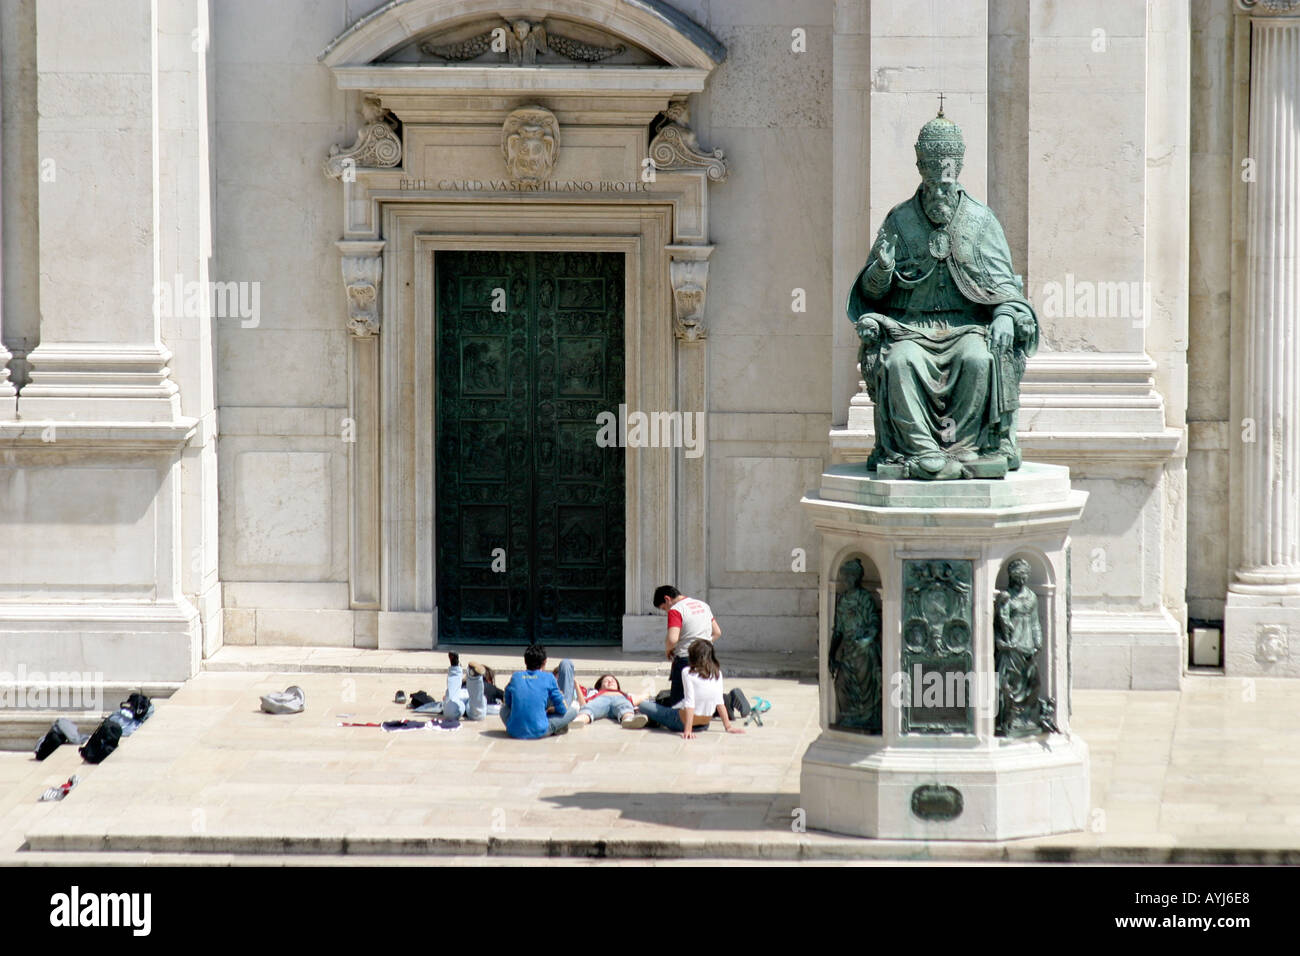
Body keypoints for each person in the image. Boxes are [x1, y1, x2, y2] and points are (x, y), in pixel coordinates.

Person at [846, 107, 1039, 480]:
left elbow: (1007, 291)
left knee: (978, 360)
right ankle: (923, 453)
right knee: (900, 362)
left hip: (967, 327)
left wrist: (1002, 316)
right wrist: (882, 270)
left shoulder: (981, 221)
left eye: (945, 188)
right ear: (922, 171)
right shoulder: (899, 220)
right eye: (932, 187)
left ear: (956, 180)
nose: (938, 195)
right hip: (910, 328)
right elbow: (871, 295)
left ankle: (968, 450)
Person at [636, 639, 744, 739]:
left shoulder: (688, 672)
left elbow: (690, 702)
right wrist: (728, 726)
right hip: (704, 725)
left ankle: (639, 712)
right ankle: (653, 719)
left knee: (643, 704)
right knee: (665, 705)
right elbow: (720, 702)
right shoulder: (717, 673)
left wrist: (688, 730)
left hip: (681, 721)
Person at [653, 584, 720, 706]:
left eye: (664, 608)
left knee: (678, 703)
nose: (666, 611)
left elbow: (673, 639)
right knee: (701, 696)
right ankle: (728, 701)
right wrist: (703, 647)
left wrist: (668, 650)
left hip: (685, 659)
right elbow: (717, 632)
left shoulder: (676, 610)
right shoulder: (703, 605)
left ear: (667, 599)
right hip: (707, 657)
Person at [500, 644, 578, 739]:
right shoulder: (549, 678)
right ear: (544, 662)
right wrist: (553, 710)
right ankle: (556, 727)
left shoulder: (516, 677)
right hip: (539, 731)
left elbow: (508, 703)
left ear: (525, 661)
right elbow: (562, 709)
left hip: (514, 731)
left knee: (503, 710)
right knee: (573, 710)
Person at [434, 652, 503, 721]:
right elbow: (507, 697)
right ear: (489, 679)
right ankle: (474, 677)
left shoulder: (463, 684)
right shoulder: (491, 687)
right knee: (477, 712)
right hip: (475, 697)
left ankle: (455, 668)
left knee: (451, 711)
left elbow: (448, 695)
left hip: (460, 694)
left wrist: (447, 699)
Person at [569, 673, 649, 729]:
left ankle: (629, 720)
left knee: (625, 707)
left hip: (619, 700)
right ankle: (578, 721)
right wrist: (576, 685)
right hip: (601, 700)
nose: (610, 681)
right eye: (606, 681)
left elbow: (635, 700)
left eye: (613, 680)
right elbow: (583, 704)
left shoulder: (624, 695)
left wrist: (646, 694)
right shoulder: (594, 693)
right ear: (600, 687)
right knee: (589, 708)